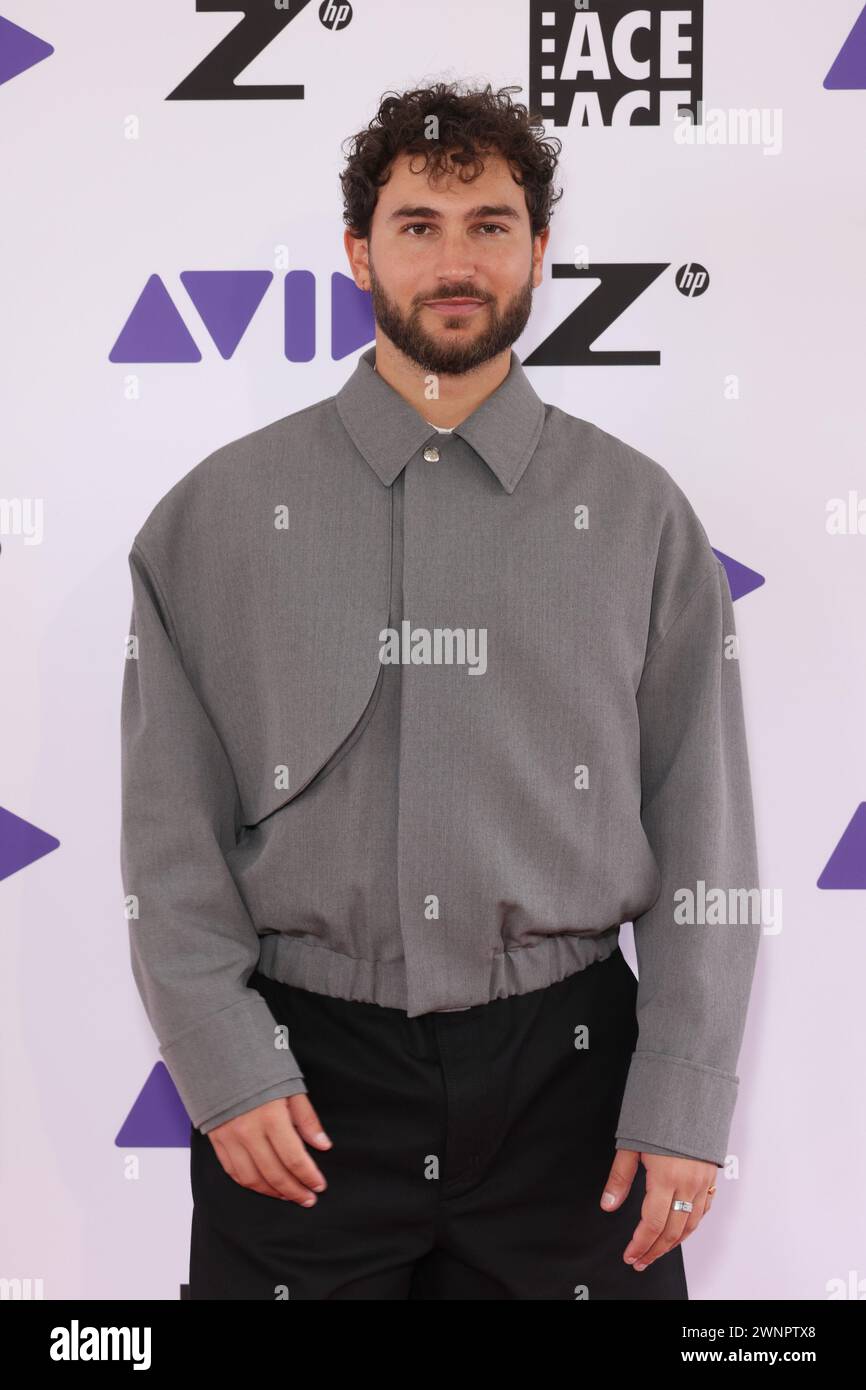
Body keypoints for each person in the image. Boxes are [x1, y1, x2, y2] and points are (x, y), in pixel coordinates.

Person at [120, 82, 762, 1300]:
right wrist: (223, 1059)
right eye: (419, 224)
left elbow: (702, 830)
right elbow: (168, 837)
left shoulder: (637, 517)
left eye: (489, 223)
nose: (455, 259)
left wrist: (680, 1088)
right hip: (301, 1090)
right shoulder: (213, 519)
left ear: (538, 251)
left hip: (574, 1092)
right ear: (358, 251)